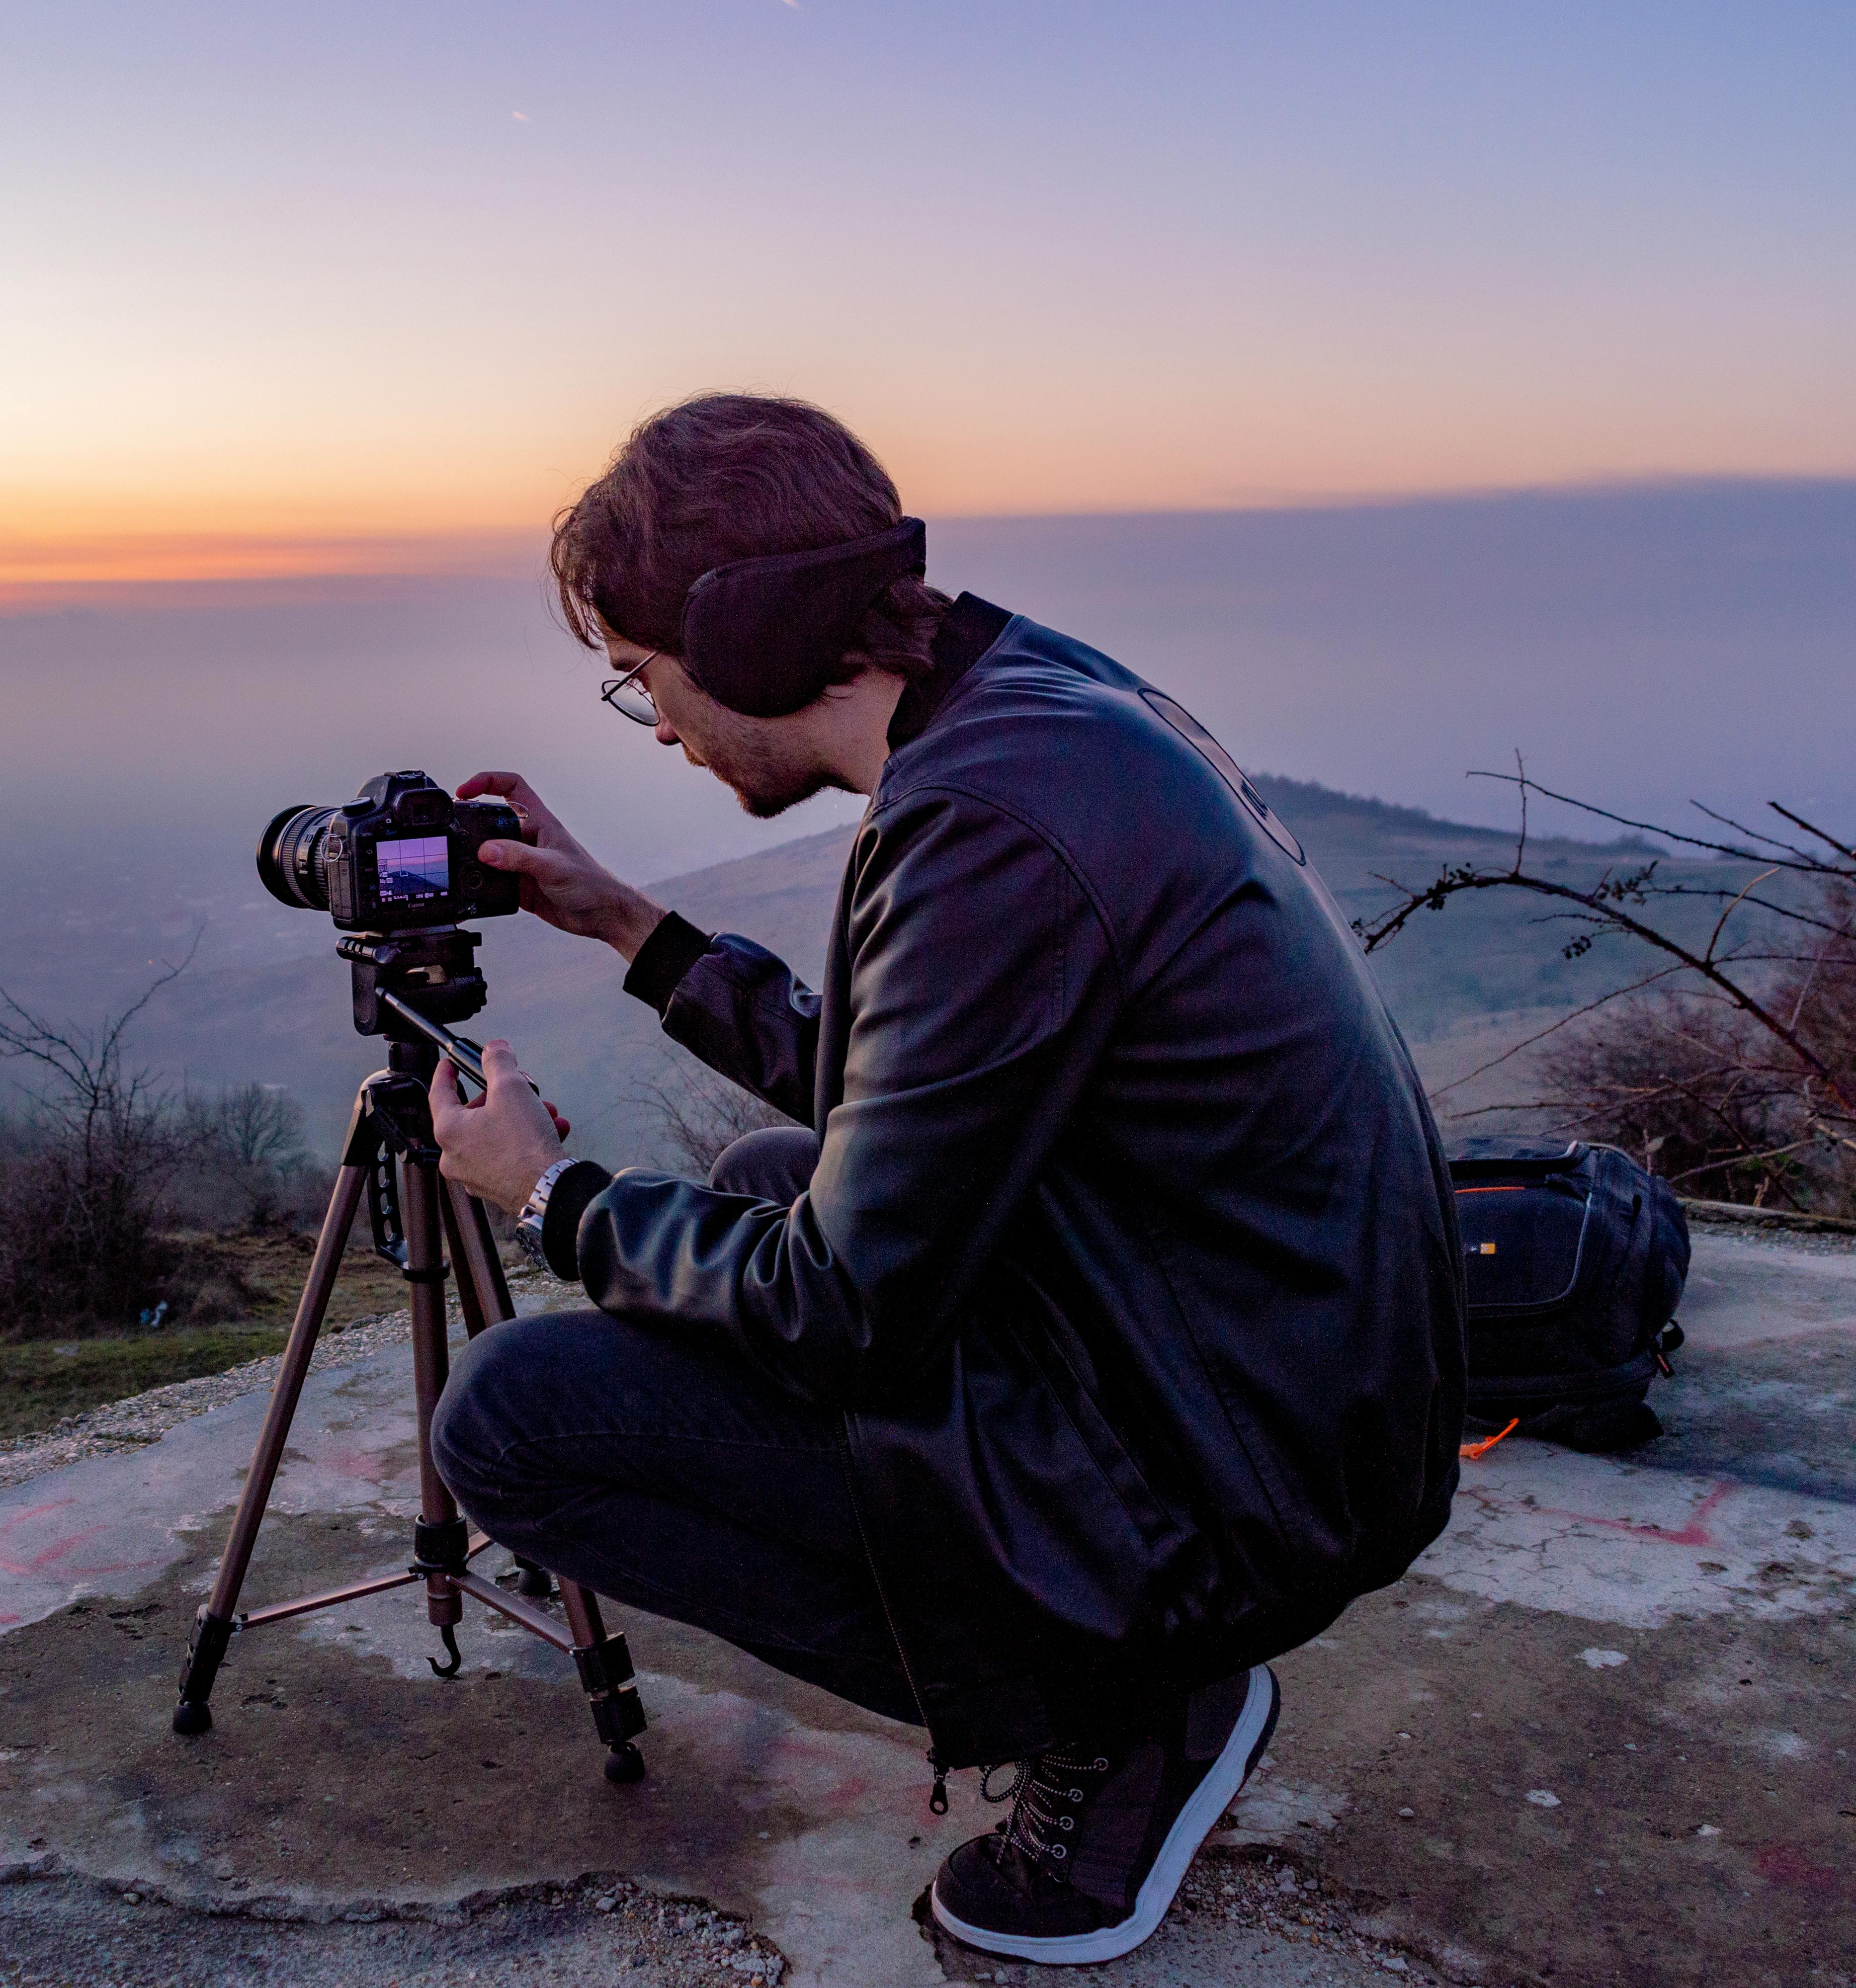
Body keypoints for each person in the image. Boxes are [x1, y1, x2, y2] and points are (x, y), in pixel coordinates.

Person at [423, 393, 1464, 1968]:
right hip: (1284, 1387)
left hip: (1243, 1486)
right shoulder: (1037, 702)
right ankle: (1121, 1657)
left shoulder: (978, 823)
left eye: (646, 681)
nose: (665, 728)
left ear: (750, 639)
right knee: (777, 1172)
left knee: (511, 1422)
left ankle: (1112, 1711)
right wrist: (631, 926)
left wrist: (549, 1195)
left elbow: (841, 1312)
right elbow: (927, 1084)